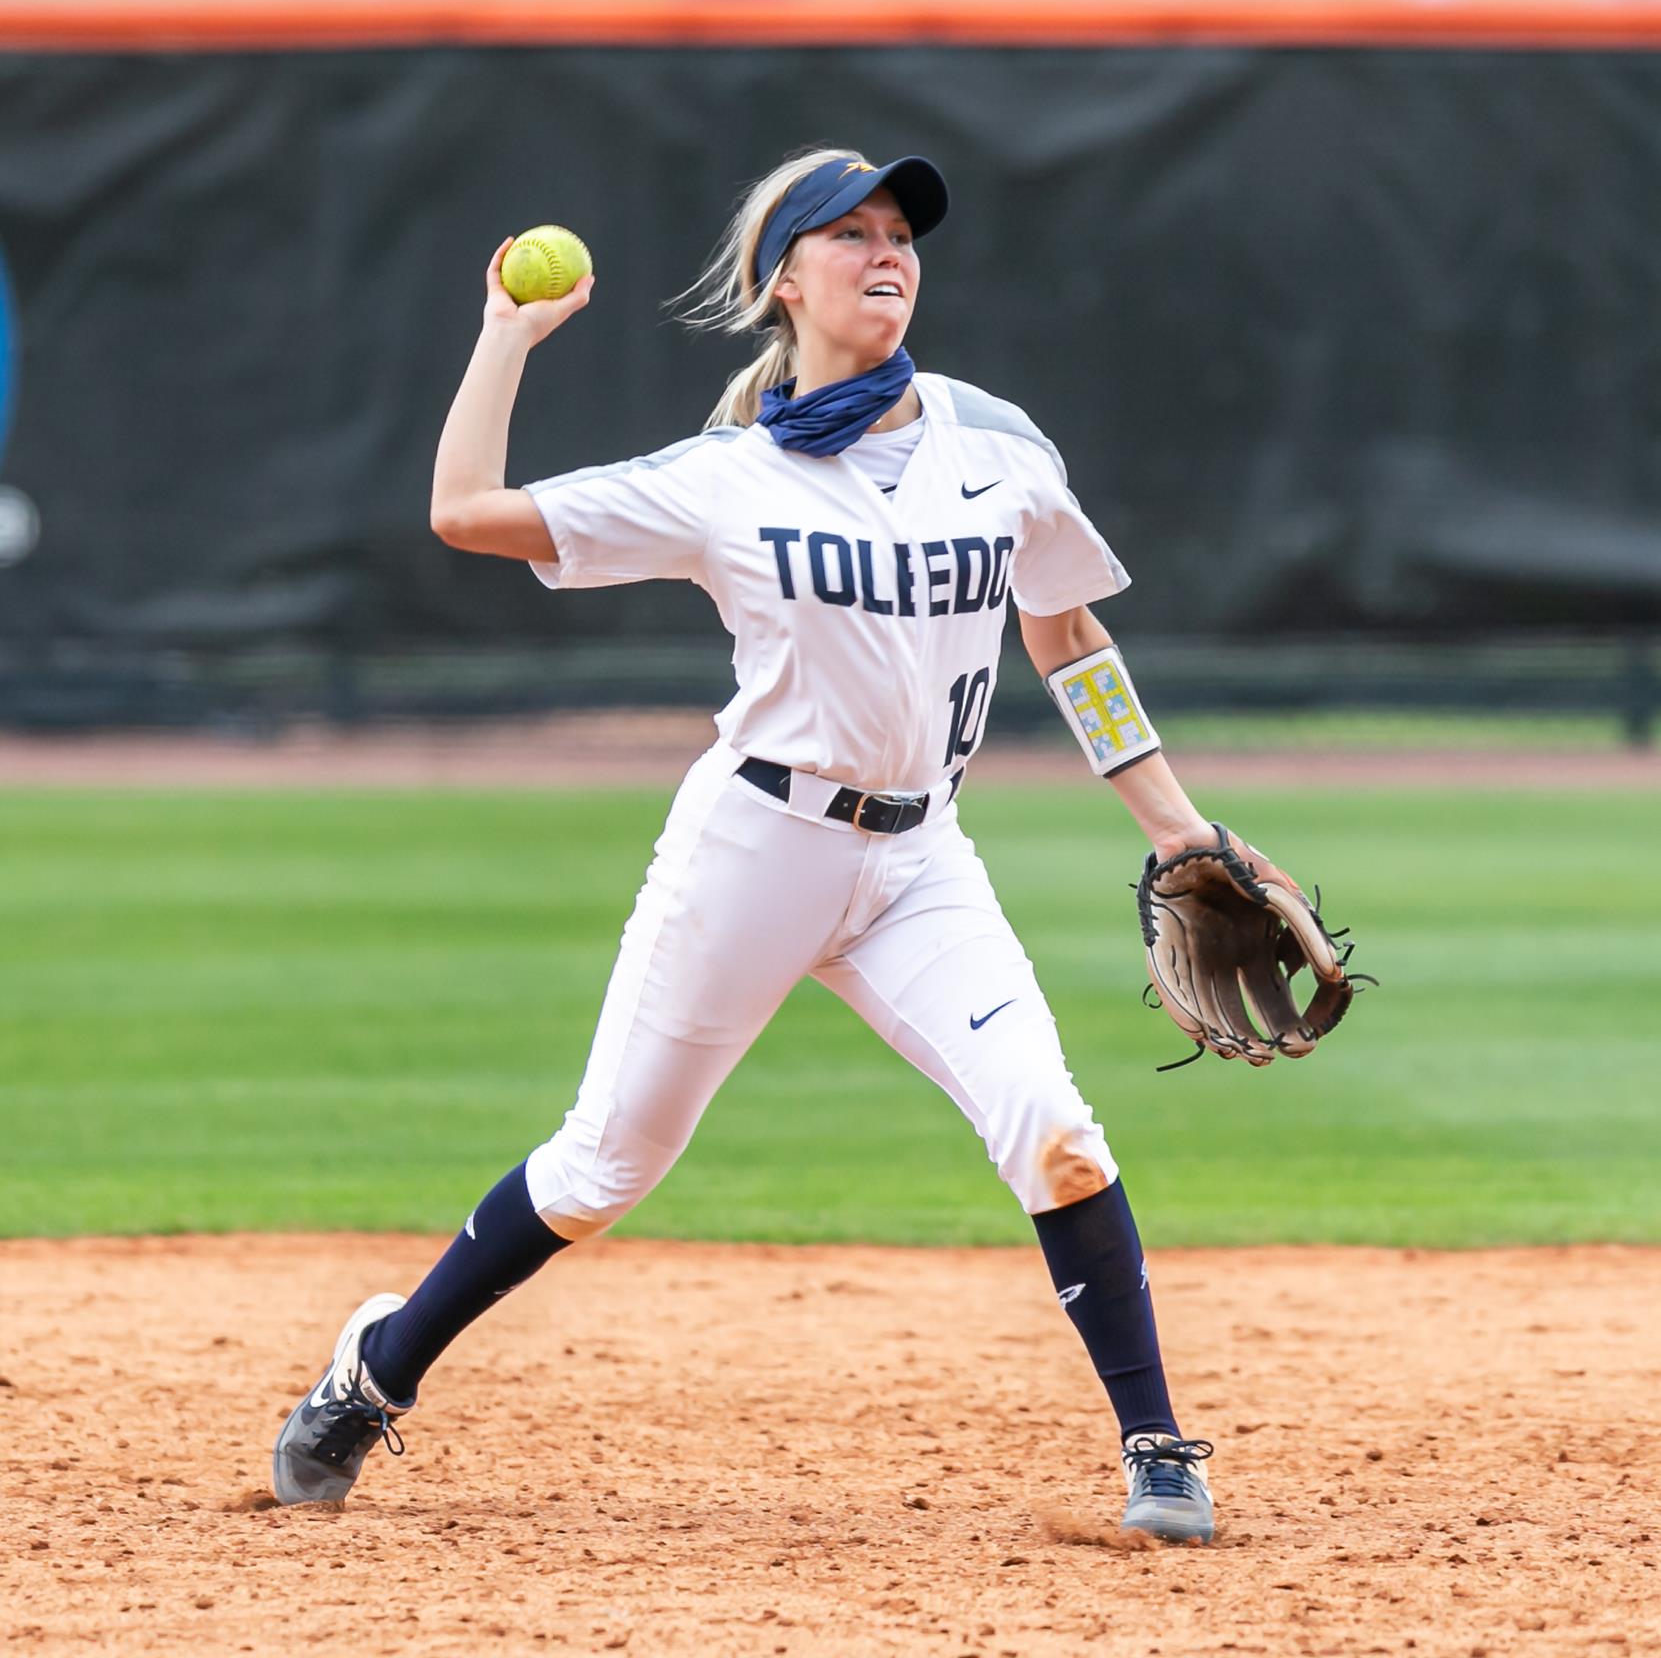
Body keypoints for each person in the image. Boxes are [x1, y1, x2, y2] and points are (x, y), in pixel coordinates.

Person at [271, 146, 1297, 1543]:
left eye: (902, 235)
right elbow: (465, 513)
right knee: (599, 1173)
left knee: (1052, 1133)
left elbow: (1063, 630)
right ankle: (376, 1371)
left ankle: (1158, 1447)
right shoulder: (720, 479)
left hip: (920, 863)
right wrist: (503, 339)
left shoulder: (994, 444)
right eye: (850, 234)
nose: (887, 254)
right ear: (782, 282)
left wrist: (1173, 819)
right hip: (752, 850)